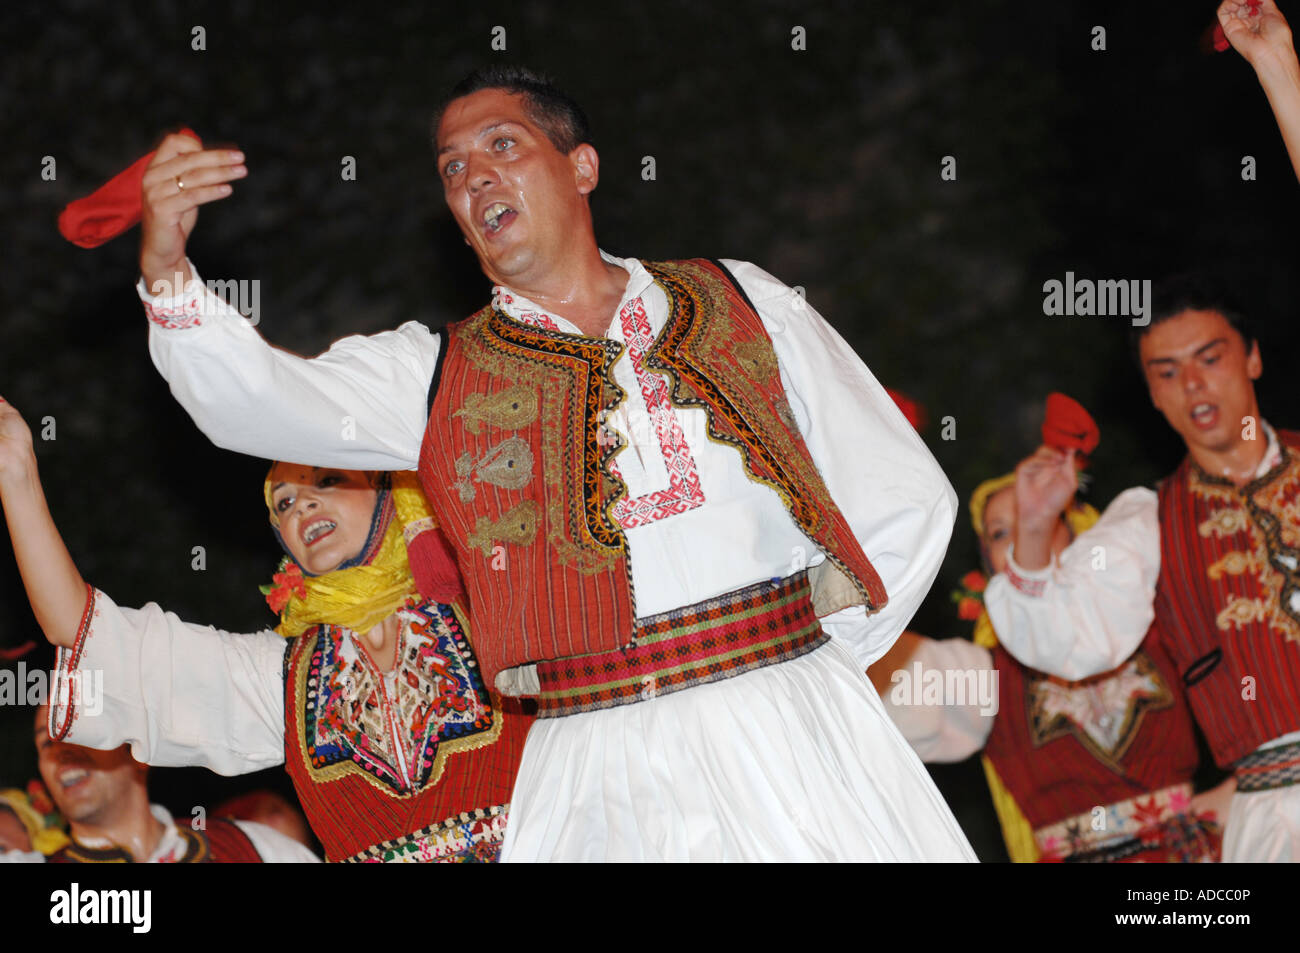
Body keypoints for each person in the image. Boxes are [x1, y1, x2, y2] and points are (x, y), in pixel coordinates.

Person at [127, 66, 972, 860]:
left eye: (502, 147)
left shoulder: (739, 299)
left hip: (797, 725)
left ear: (583, 166)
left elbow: (903, 495)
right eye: (453, 170)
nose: (475, 178)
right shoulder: (435, 374)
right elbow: (257, 398)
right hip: (600, 759)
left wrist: (818, 667)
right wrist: (167, 269)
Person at [985, 1, 1300, 862]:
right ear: (1151, 399)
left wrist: (1278, 68)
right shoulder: (1146, 522)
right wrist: (1040, 532)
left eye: (1210, 357)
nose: (1194, 384)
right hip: (1272, 822)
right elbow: (1071, 637)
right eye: (1167, 372)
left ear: (1255, 359)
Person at [0, 397, 531, 862]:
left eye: (328, 479)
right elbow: (79, 627)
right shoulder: (282, 677)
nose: (303, 503)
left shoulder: (491, 608)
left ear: (388, 489)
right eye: (284, 503)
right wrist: (17, 474)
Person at [872, 400, 1231, 862]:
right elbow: (876, 665)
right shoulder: (985, 677)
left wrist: (1242, 794)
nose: (1025, 536)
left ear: (1081, 534)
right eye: (1002, 534)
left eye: (1040, 520)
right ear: (989, 567)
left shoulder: (1159, 629)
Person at [22, 703, 317, 863]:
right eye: (46, 743)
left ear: (139, 752)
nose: (62, 750)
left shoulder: (252, 846)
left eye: (80, 731)